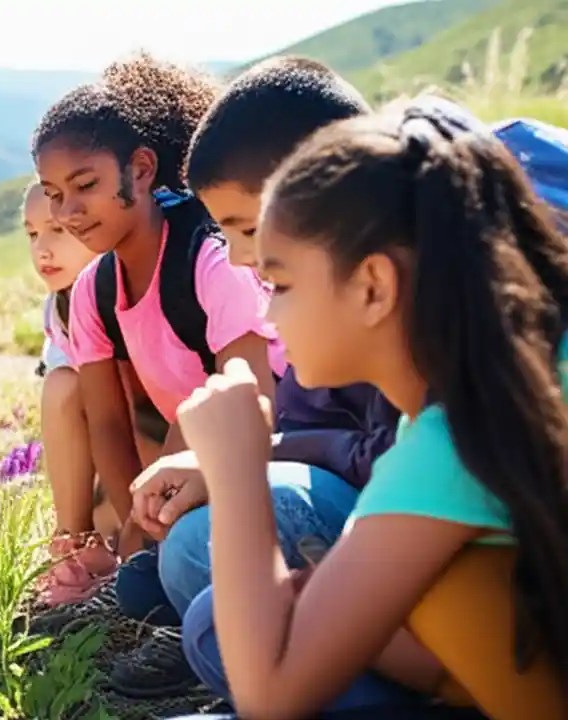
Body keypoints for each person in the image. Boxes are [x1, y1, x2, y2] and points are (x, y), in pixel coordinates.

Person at [174, 96, 568, 718]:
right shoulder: (512, 372)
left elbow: (271, 697)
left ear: (373, 286)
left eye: (280, 285)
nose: (268, 314)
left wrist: (236, 472)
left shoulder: (451, 440)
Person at [117, 57, 409, 697]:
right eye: (228, 235)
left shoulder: (412, 327)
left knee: (210, 600)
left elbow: (395, 457)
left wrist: (242, 470)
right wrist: (226, 464)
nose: (245, 261)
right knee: (176, 573)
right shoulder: (326, 302)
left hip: (414, 554)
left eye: (252, 230)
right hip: (385, 533)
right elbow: (309, 425)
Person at [32, 52, 288, 695]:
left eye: (86, 185)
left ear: (140, 170)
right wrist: (134, 542)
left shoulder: (210, 261)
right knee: (148, 574)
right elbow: (107, 423)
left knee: (177, 561)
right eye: (56, 193)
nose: (68, 212)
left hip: (264, 454)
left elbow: (253, 395)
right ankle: (152, 592)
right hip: (186, 466)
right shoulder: (92, 290)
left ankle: (201, 634)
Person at [20, 178, 122, 606]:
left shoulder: (118, 291)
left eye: (57, 230)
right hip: (104, 454)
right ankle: (75, 544)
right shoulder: (58, 307)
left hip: (142, 445)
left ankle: (102, 547)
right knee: (61, 386)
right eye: (31, 233)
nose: (42, 248)